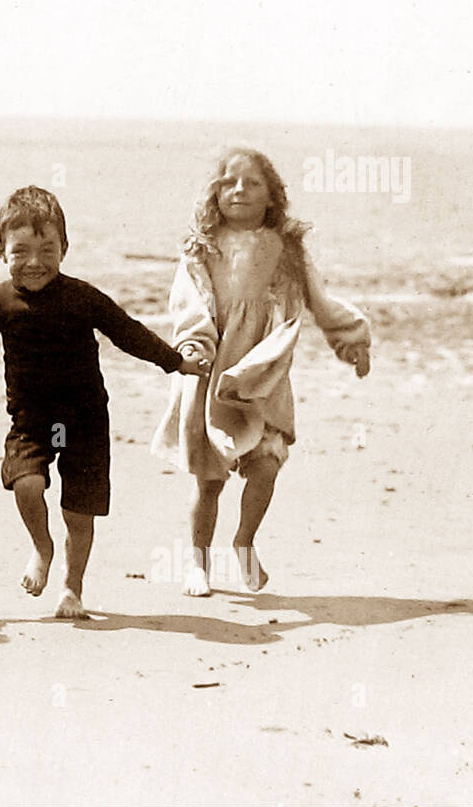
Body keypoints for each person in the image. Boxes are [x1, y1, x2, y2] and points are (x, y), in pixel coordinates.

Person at [0, 186, 207, 618]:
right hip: (31, 419)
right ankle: (42, 545)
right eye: (21, 251)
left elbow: (128, 332)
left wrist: (176, 363)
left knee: (79, 511)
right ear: (0, 251)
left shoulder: (83, 297)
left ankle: (72, 590)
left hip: (86, 418)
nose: (34, 262)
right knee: (27, 484)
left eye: (47, 249)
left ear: (65, 248)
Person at [151, 147, 371, 596]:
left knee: (266, 465)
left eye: (252, 183)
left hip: (264, 372)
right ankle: (198, 563)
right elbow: (188, 302)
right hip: (211, 372)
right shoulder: (202, 247)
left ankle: (245, 540)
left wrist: (351, 340)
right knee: (209, 480)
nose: (239, 190)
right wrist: (194, 344)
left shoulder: (287, 247)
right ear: (215, 192)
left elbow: (320, 300)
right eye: (229, 182)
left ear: (272, 196)